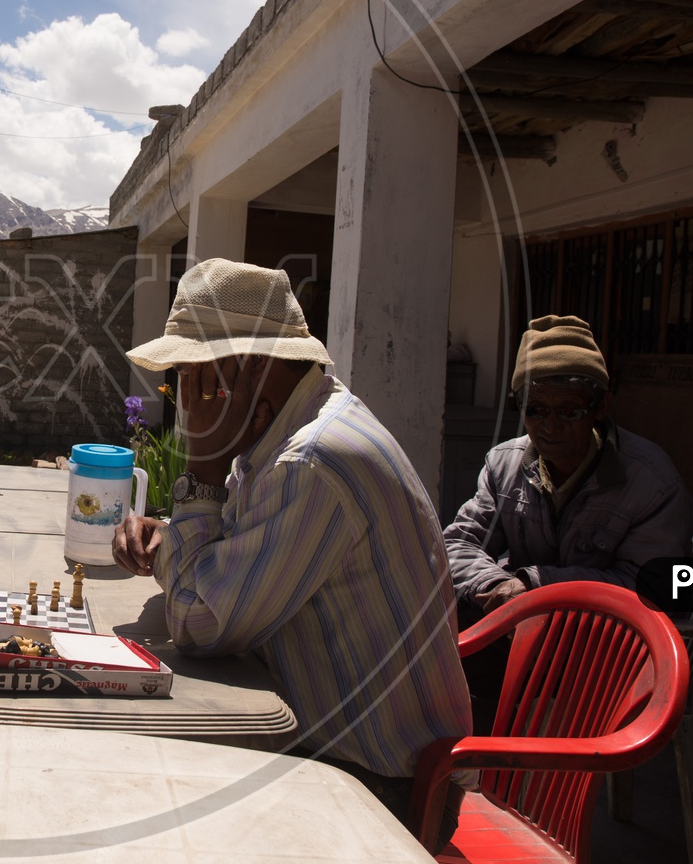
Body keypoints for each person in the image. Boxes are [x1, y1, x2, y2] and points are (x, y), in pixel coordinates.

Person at [113, 258, 470, 840]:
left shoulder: (312, 459)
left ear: (248, 366)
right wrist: (176, 537)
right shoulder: (289, 428)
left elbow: (199, 624)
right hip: (334, 744)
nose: (184, 399)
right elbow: (223, 563)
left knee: (151, 795)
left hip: (381, 783)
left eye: (193, 376)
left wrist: (199, 468)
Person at [442, 315, 693, 728]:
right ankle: (469, 773)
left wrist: (536, 586)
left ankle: (503, 776)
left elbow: (656, 587)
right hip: (524, 635)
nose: (549, 425)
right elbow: (456, 545)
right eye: (535, 409)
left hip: (606, 650)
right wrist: (496, 587)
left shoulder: (651, 481)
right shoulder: (505, 463)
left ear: (601, 408)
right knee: (435, 645)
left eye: (569, 410)